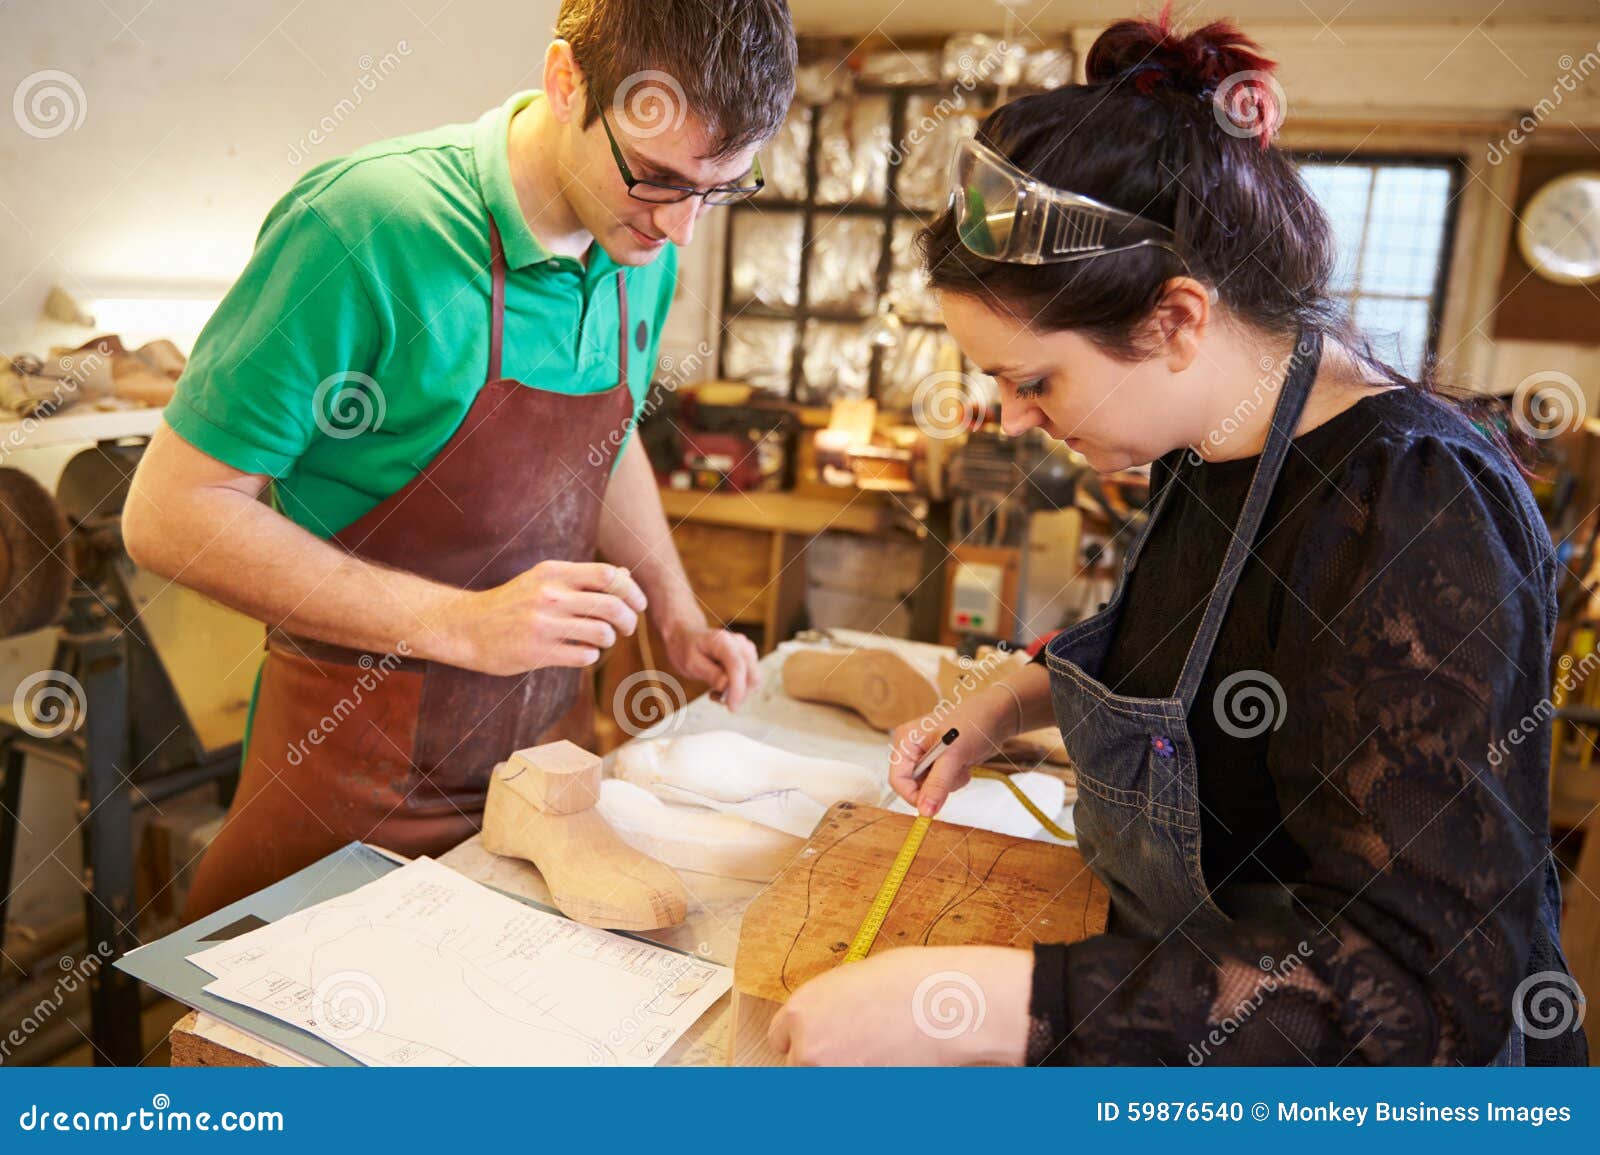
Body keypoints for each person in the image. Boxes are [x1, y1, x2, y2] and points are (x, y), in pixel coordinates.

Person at [769, 10, 1588, 1067]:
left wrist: (991, 1000)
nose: (1012, 419)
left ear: (1175, 320)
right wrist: (1011, 698)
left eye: (1033, 380)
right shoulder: (1206, 442)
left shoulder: (1415, 504)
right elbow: (1193, 637)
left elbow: (1423, 1000)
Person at [123, 0, 795, 919]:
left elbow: (606, 439)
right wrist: (462, 625)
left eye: (720, 191)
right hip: (349, 787)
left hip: (545, 784)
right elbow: (171, 514)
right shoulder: (365, 228)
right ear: (566, 83)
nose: (682, 232)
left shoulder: (637, 241)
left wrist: (676, 611)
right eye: (656, 179)